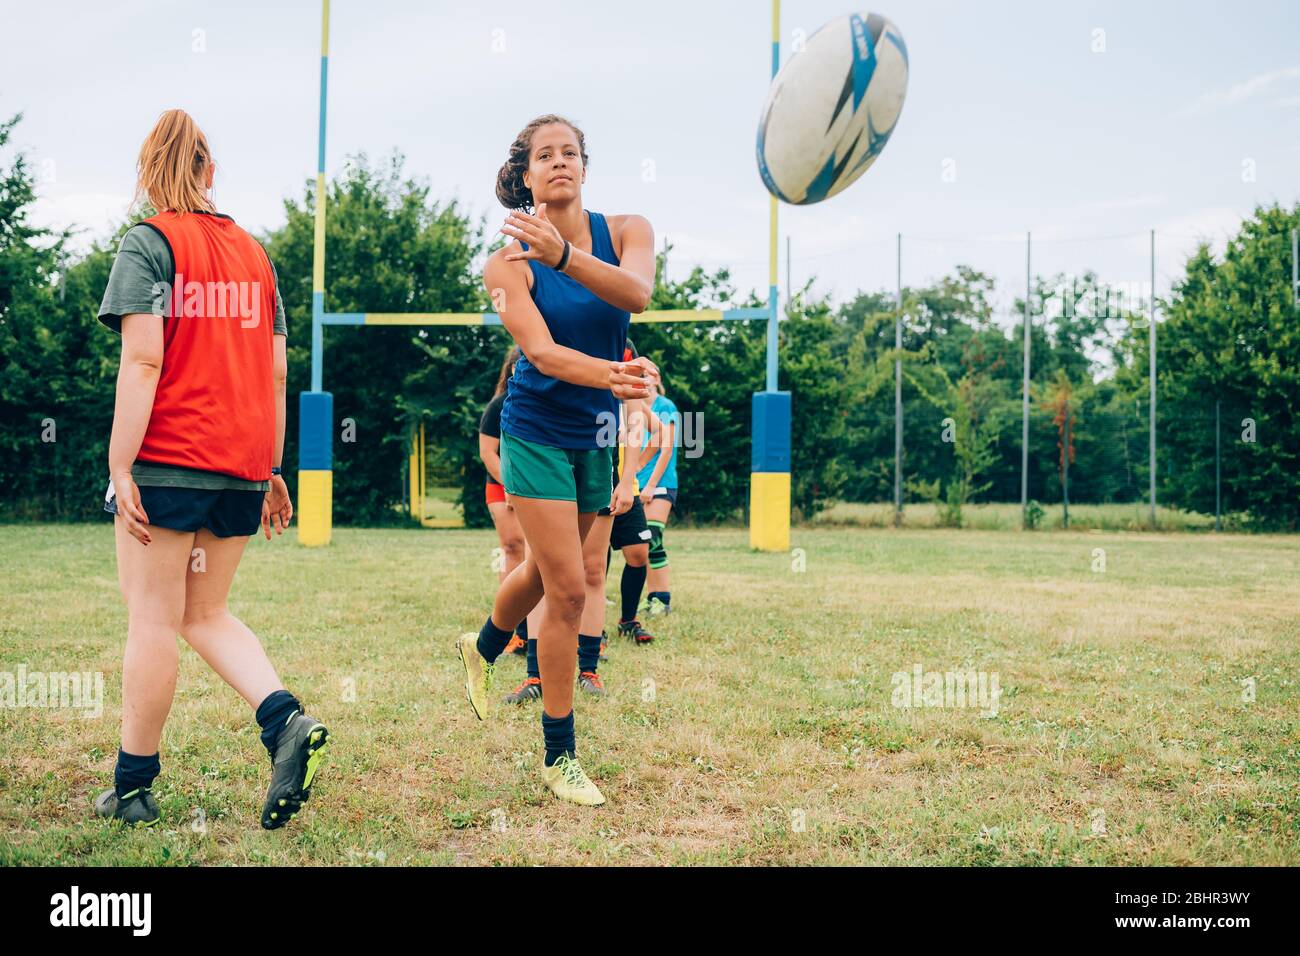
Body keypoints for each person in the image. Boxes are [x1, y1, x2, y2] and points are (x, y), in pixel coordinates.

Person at [96, 109, 328, 829]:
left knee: (154, 619)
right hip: (241, 464)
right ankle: (284, 723)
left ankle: (132, 789)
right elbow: (277, 367)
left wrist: (119, 463)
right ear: (209, 170)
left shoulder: (148, 242)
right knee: (205, 611)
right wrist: (274, 468)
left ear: (147, 174)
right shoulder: (255, 256)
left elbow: (142, 360)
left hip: (168, 459)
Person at [455, 114, 658, 806]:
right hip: (536, 430)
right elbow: (539, 356)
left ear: (584, 165)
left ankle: (480, 647)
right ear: (527, 176)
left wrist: (567, 258)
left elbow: (636, 295)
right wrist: (614, 376)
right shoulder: (504, 264)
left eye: (571, 151)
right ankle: (559, 754)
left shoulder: (629, 229)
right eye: (546, 155)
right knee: (570, 591)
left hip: (596, 435)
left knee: (549, 573)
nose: (561, 162)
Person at [478, 345, 528, 655]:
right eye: (517, 366)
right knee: (513, 546)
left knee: (533, 556)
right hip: (501, 487)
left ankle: (527, 626)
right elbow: (487, 453)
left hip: (532, 487)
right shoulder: (498, 406)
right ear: (509, 370)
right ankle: (509, 628)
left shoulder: (537, 405)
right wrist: (509, 484)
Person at [638, 380, 680, 616]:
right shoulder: (632, 407)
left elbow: (666, 448)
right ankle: (651, 596)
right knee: (641, 542)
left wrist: (652, 485)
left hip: (661, 483)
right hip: (638, 483)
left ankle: (663, 599)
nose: (642, 377)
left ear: (656, 379)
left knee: (653, 537)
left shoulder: (665, 406)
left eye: (647, 373)